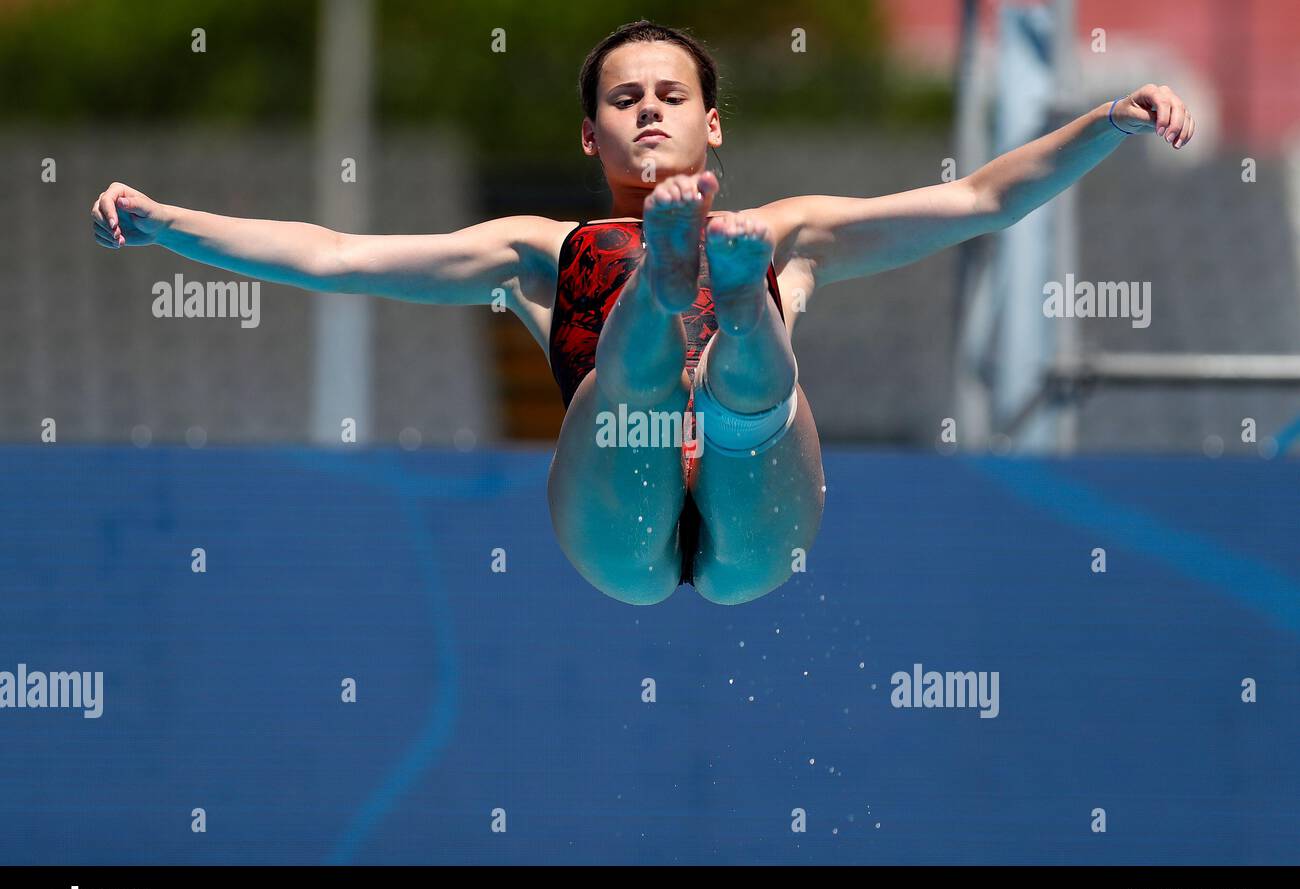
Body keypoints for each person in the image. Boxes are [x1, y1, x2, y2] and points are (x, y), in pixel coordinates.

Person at [90, 19, 1195, 607]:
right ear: (590, 137)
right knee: (629, 298)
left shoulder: (781, 224)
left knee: (753, 329)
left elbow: (977, 198)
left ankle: (711, 306)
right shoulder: (538, 247)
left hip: (756, 514)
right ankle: (666, 297)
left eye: (670, 96)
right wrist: (166, 221)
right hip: (614, 520)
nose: (649, 110)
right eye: (625, 99)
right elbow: (333, 252)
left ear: (712, 124)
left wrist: (1104, 120)